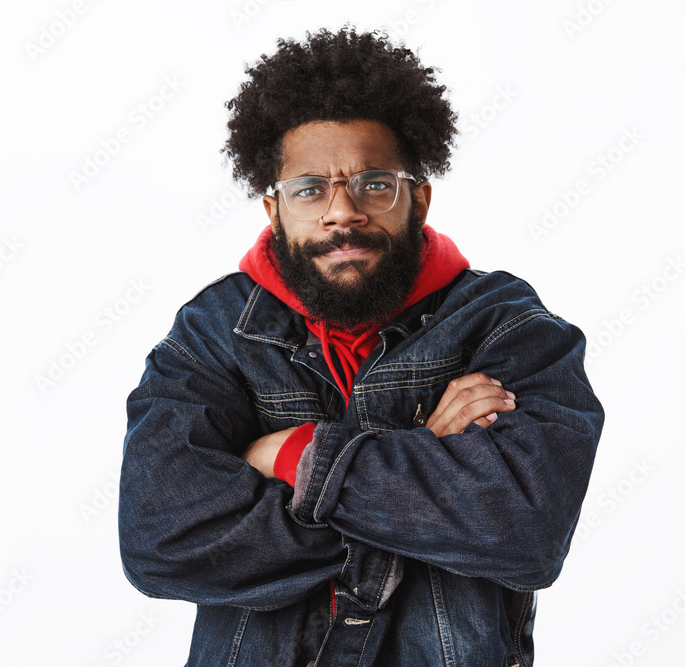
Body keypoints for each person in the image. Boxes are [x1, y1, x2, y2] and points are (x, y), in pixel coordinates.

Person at [118, 26, 603, 666]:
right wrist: (427, 458)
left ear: (418, 199)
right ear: (274, 210)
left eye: (374, 184)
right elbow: (161, 537)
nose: (341, 211)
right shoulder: (216, 331)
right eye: (309, 188)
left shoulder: (505, 324)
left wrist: (289, 455)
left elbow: (526, 529)